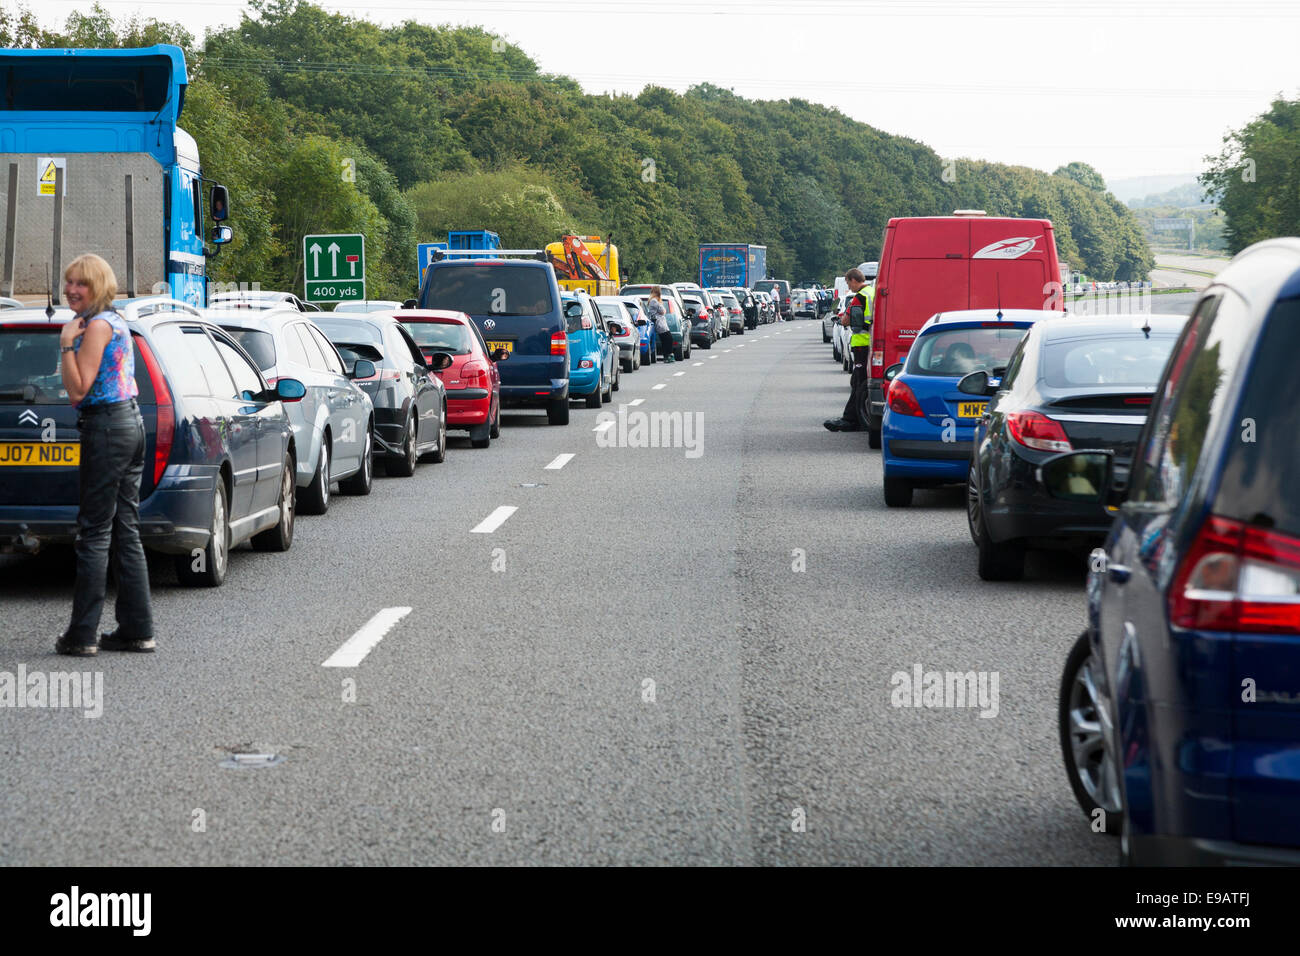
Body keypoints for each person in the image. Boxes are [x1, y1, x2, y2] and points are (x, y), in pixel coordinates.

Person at [55, 253, 155, 656]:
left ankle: (81, 636)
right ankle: (137, 630)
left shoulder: (96, 327)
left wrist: (65, 344)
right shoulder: (117, 321)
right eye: (69, 282)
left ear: (98, 286)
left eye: (81, 283)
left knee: (95, 533)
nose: (71, 290)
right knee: (125, 529)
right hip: (130, 424)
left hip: (107, 428)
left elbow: (78, 390)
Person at [824, 267, 875, 432]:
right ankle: (856, 417)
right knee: (859, 382)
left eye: (848, 283)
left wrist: (844, 318)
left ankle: (851, 420)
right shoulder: (873, 292)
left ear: (854, 280)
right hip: (873, 343)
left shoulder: (860, 296)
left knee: (859, 383)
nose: (848, 287)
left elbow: (846, 321)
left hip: (862, 344)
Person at [646, 286, 674, 363]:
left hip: (660, 322)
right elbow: (662, 310)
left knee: (665, 339)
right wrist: (662, 308)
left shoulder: (653, 300)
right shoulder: (654, 301)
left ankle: (667, 356)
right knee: (668, 338)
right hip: (659, 322)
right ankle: (668, 355)